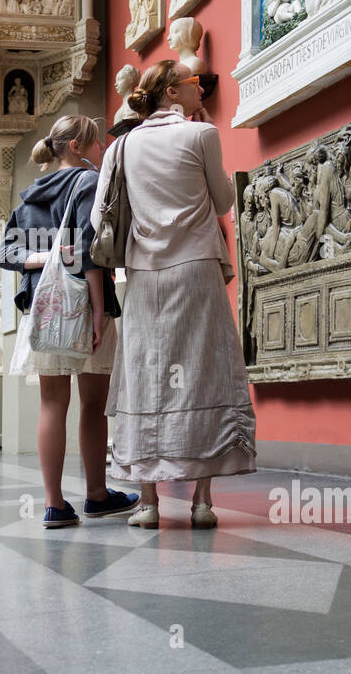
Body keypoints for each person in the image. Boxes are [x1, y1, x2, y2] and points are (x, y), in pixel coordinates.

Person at [93, 60, 257, 529]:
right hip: (197, 266)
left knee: (145, 372)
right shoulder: (200, 135)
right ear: (171, 92)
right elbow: (225, 202)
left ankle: (147, 503)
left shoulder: (121, 147)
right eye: (192, 83)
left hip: (145, 272)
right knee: (203, 369)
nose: (201, 87)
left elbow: (96, 222)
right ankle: (202, 503)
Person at [0, 115, 137, 529]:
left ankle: (54, 504)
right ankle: (96, 494)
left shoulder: (31, 194)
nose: (100, 152)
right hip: (83, 306)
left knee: (51, 402)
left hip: (41, 310)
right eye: (95, 145)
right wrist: (98, 312)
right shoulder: (88, 183)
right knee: (93, 404)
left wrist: (40, 259)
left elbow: (5, 252)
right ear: (77, 146)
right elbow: (90, 253)